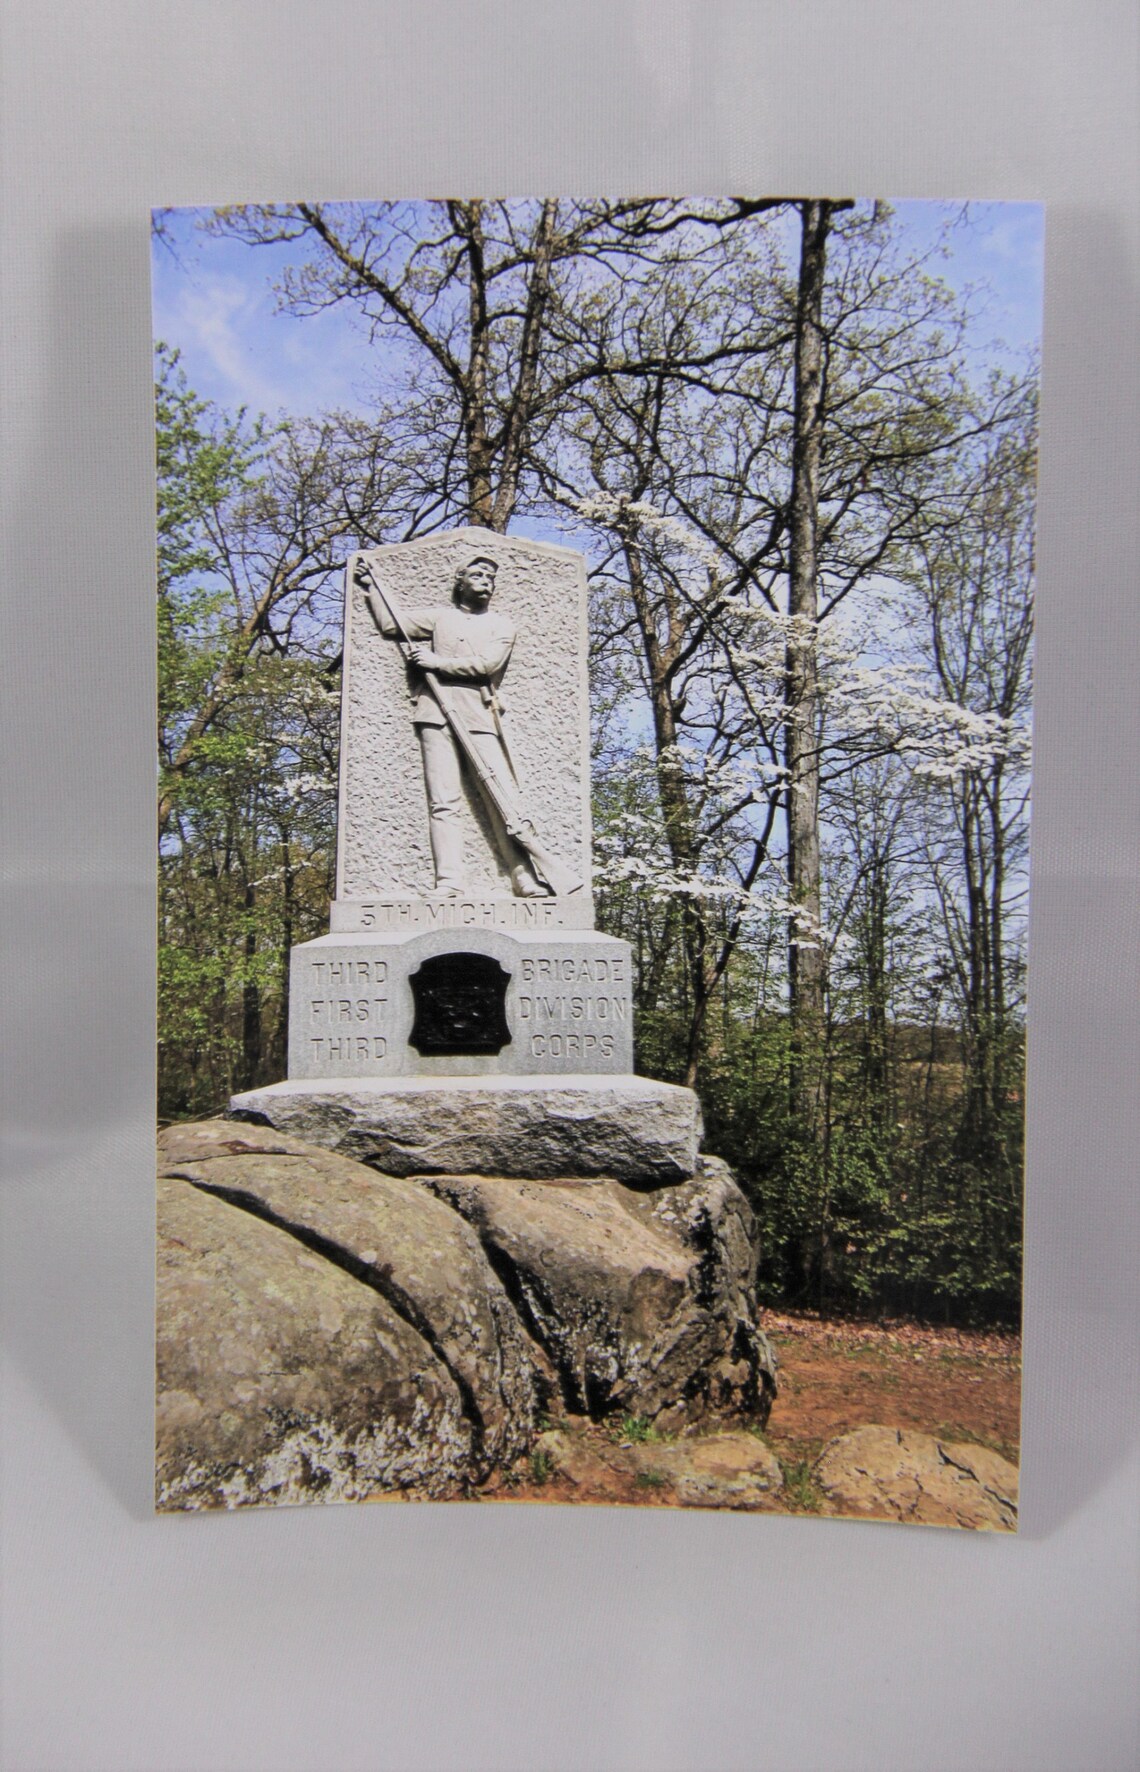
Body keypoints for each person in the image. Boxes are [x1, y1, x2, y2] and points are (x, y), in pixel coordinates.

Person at [358, 554, 547, 896]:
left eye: (491, 576)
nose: (486, 579)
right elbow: (391, 625)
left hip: (477, 713)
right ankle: (449, 881)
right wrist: (372, 586)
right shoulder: (441, 618)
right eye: (477, 573)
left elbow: (487, 664)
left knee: (500, 797)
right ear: (460, 581)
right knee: (442, 802)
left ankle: (522, 874)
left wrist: (437, 662)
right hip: (435, 712)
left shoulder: (501, 625)